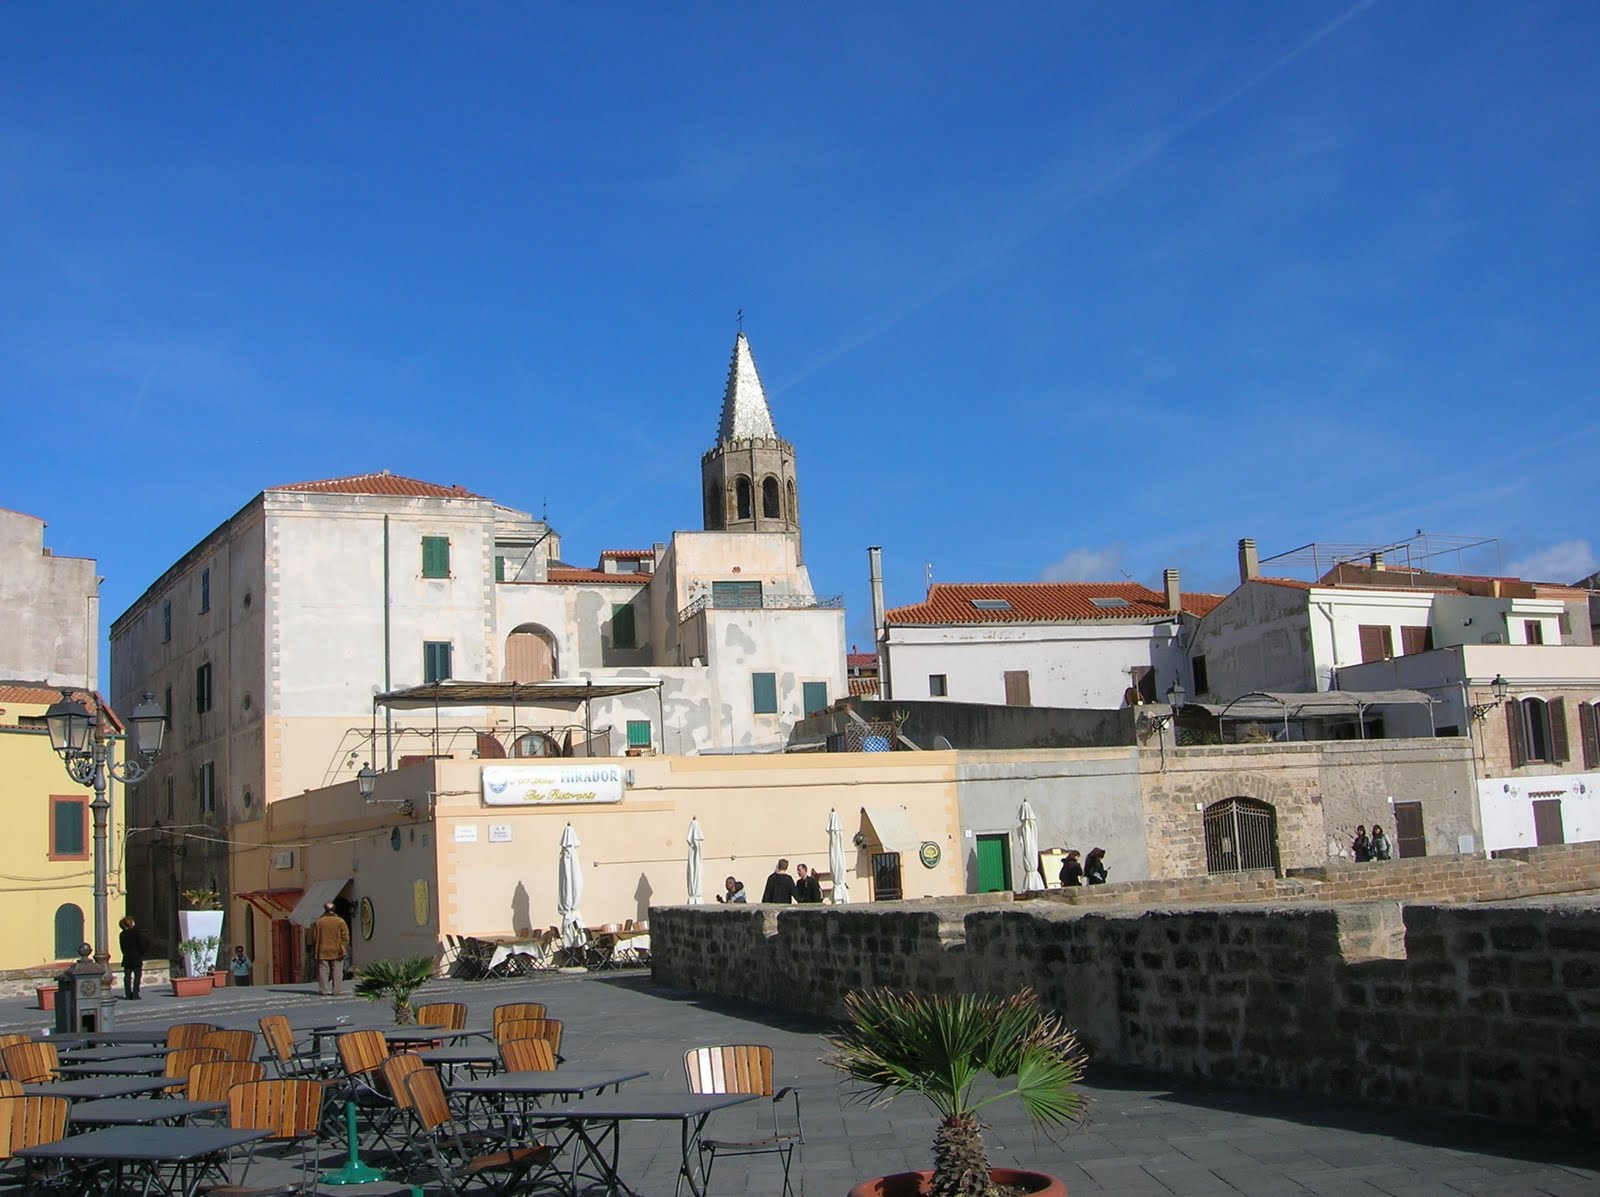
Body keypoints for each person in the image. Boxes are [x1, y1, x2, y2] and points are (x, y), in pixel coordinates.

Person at [311, 901, 350, 996]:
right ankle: (336, 990)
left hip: (322, 949)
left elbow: (314, 937)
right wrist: (342, 945)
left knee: (323, 971)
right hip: (337, 949)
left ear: (325, 909)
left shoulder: (319, 922)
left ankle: (323, 990)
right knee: (337, 970)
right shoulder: (340, 921)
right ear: (334, 909)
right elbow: (345, 936)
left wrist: (316, 946)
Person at [118, 916, 146, 1000]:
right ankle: (135, 993)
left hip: (127, 957)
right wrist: (142, 953)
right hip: (136, 957)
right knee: (137, 976)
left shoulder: (122, 934)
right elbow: (142, 945)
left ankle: (128, 993)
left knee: (127, 976)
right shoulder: (137, 933)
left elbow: (122, 947)